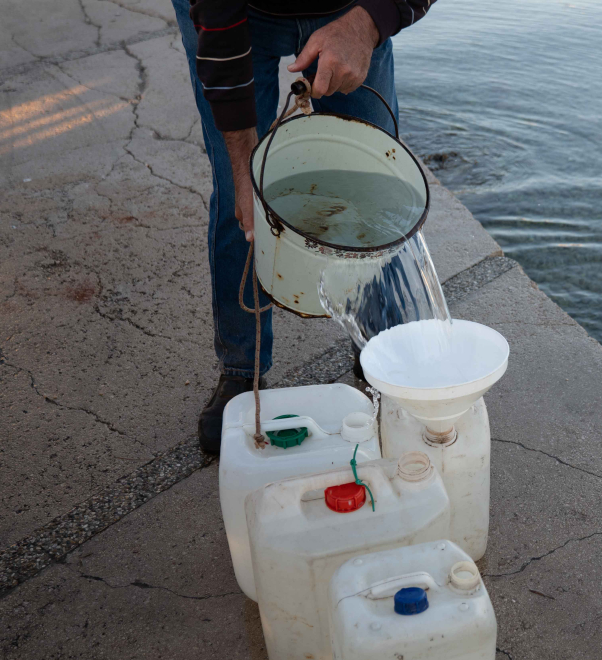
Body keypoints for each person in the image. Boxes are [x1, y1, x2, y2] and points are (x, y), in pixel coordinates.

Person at [171, 0, 437, 453]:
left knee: (376, 196)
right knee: (243, 202)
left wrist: (368, 20)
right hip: (233, 14)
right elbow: (217, 18)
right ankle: (242, 370)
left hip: (351, 3)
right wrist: (243, 172)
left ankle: (378, 350)